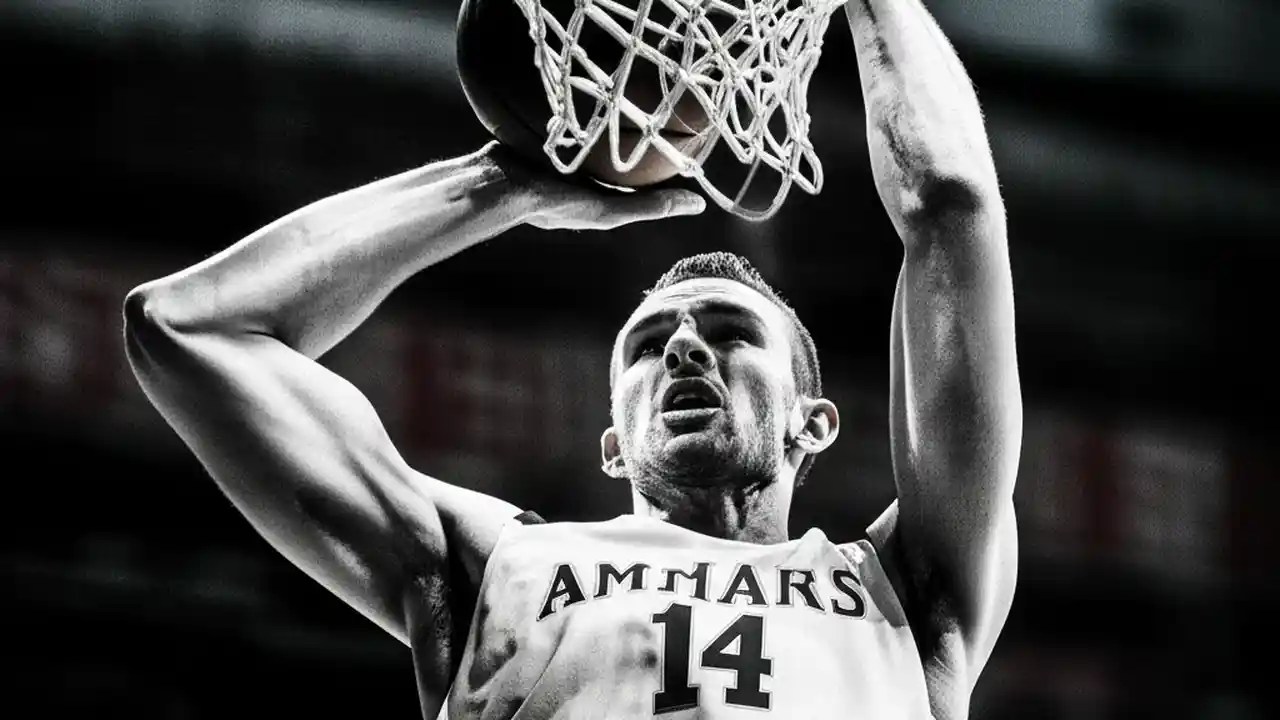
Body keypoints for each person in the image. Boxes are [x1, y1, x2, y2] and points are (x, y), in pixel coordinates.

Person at [123, 1, 1020, 718]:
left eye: (730, 333)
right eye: (646, 345)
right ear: (612, 445)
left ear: (811, 423)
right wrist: (502, 184)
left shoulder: (907, 589)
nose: (681, 347)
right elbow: (189, 330)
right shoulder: (493, 567)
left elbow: (951, 207)